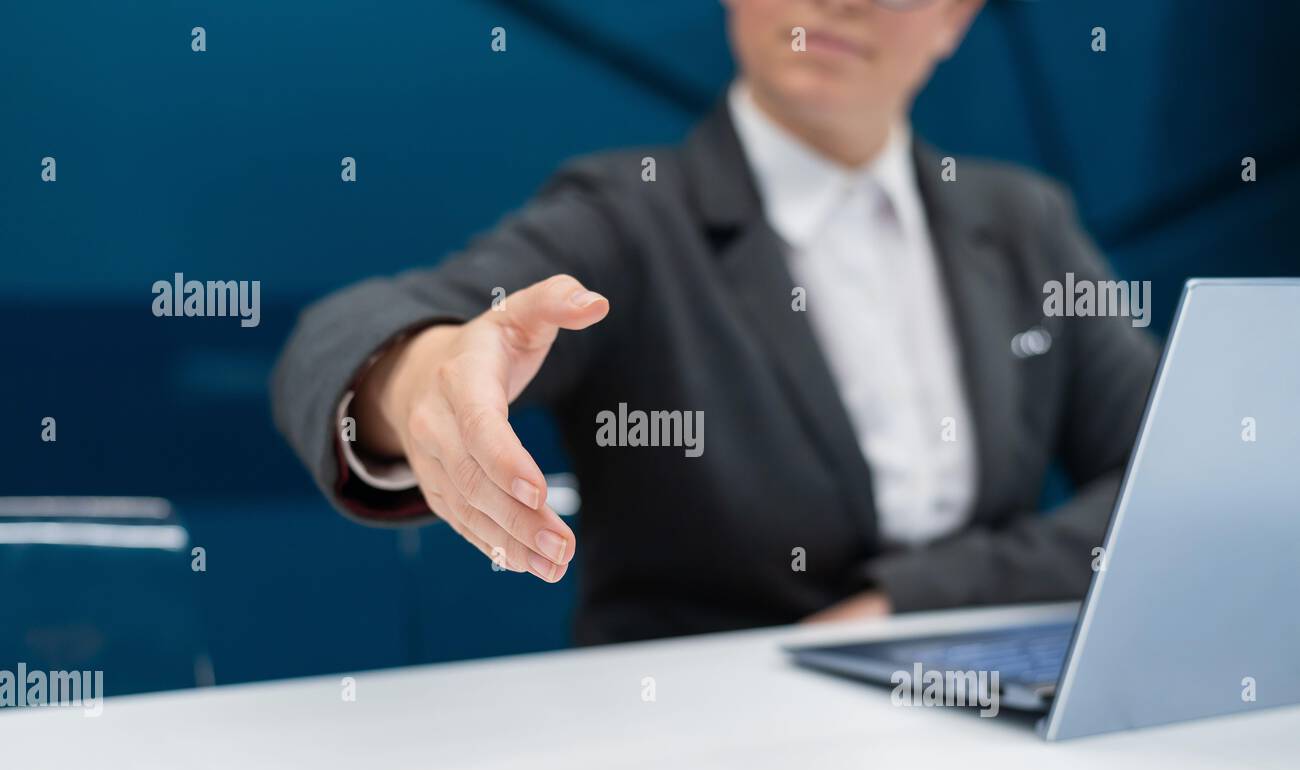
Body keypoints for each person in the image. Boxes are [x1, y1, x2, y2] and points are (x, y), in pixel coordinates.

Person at [272, 0, 1157, 646]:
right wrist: (416, 373)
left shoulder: (1023, 223)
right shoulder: (631, 217)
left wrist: (913, 601)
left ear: (955, 17)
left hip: (978, 727)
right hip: (698, 758)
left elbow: (1164, 478)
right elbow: (341, 334)